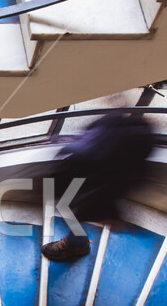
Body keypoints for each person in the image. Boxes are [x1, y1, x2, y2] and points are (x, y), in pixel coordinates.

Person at [41, 109, 156, 262]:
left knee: (69, 209)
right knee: (68, 208)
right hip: (86, 179)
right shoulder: (130, 147)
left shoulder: (111, 126)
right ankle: (77, 243)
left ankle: (77, 244)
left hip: (83, 178)